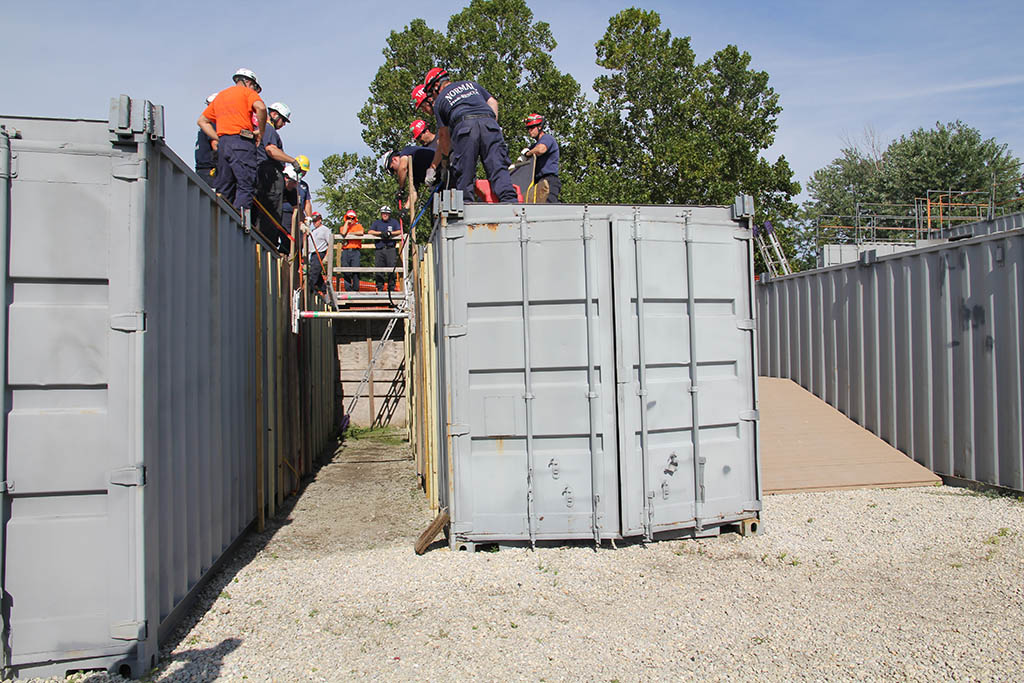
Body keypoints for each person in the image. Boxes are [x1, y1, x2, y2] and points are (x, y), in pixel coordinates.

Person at [422, 67, 517, 202]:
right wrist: (491, 123)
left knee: (465, 172)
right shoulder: (470, 84)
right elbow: (492, 102)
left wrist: (445, 161)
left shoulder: (440, 101)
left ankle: (466, 207)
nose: (433, 98)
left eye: (432, 93)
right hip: (489, 122)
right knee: (498, 166)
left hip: (465, 127)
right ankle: (510, 203)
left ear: (436, 86)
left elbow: (444, 137)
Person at [197, 68, 267, 211]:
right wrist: (261, 132)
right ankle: (238, 223)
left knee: (224, 185)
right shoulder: (247, 93)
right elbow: (261, 108)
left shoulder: (221, 96)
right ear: (248, 82)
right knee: (246, 183)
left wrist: (219, 137)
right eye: (254, 86)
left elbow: (202, 121)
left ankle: (222, 218)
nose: (254, 90)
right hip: (242, 142)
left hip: (223, 144)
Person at [255, 102, 298, 241]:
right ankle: (267, 244)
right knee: (271, 213)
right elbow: (271, 150)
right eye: (283, 120)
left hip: (264, 175)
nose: (283, 124)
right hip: (269, 176)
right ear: (274, 114)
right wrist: (292, 161)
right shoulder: (269, 129)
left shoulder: (264, 129)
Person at [521, 113, 560, 203]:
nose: (529, 131)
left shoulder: (547, 138)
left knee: (547, 211)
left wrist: (527, 154)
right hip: (537, 183)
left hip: (549, 181)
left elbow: (541, 150)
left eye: (532, 127)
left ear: (539, 127)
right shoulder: (533, 146)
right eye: (528, 128)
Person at [368, 206, 402, 292]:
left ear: (389, 214)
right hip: (380, 249)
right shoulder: (377, 223)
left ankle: (391, 288)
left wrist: (390, 233)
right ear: (381, 214)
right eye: (383, 213)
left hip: (390, 249)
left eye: (386, 213)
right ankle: (379, 288)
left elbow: (400, 231)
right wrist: (380, 233)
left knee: (391, 268)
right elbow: (370, 231)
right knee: (379, 269)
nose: (385, 215)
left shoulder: (394, 222)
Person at [303, 212, 332, 302]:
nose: (315, 223)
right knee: (317, 274)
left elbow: (330, 243)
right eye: (313, 221)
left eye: (316, 221)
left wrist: (327, 256)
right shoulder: (313, 231)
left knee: (314, 273)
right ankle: (324, 290)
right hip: (313, 254)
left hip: (320, 253)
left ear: (320, 220)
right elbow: (309, 244)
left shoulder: (325, 230)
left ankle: (309, 289)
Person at [194, 92, 219, 186]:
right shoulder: (213, 122)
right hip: (210, 170)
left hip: (202, 169)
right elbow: (215, 145)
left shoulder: (205, 125)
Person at [339, 210, 364, 291]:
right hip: (346, 251)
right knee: (345, 270)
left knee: (356, 270)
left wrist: (350, 234)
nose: (351, 220)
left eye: (352, 218)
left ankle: (356, 289)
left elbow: (361, 232)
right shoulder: (343, 227)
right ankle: (348, 289)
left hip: (355, 251)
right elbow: (343, 233)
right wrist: (347, 223)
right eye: (349, 218)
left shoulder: (358, 226)